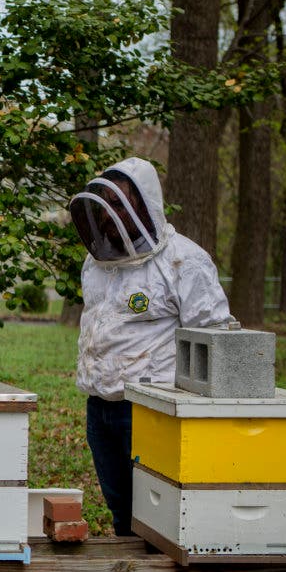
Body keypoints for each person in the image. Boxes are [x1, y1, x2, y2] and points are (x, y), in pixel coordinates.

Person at [68, 157, 232, 536]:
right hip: (100, 405)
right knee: (120, 506)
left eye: (120, 204)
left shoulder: (183, 261)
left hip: (151, 407)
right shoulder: (96, 264)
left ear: (142, 204)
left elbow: (212, 338)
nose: (109, 218)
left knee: (157, 509)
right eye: (106, 206)